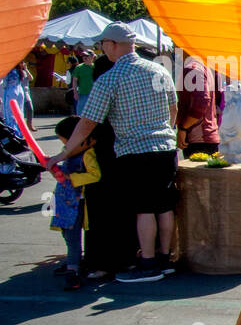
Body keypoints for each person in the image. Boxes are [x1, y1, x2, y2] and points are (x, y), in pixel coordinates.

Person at [46, 22, 178, 283]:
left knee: (144, 209)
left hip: (134, 150)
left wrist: (61, 155)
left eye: (103, 44)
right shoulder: (158, 70)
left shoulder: (110, 78)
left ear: (111, 44)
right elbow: (173, 107)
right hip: (165, 147)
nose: (102, 49)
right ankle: (165, 258)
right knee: (164, 206)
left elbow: (87, 123)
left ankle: (148, 264)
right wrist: (167, 132)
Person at [48, 116, 101, 291]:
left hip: (76, 204)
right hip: (64, 202)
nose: (65, 147)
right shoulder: (71, 153)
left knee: (73, 237)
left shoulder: (87, 154)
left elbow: (95, 175)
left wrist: (73, 178)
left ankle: (74, 268)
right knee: (66, 233)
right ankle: (74, 261)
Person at [176, 55, 220, 159]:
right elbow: (218, 98)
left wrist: (183, 128)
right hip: (208, 135)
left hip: (198, 138)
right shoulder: (206, 66)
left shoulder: (192, 68)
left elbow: (202, 102)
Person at [72, 51, 96, 116]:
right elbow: (74, 81)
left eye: (86, 56)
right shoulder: (79, 67)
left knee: (93, 115)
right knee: (80, 115)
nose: (84, 57)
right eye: (83, 56)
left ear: (92, 57)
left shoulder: (96, 67)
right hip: (82, 94)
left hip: (95, 95)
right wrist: (75, 93)